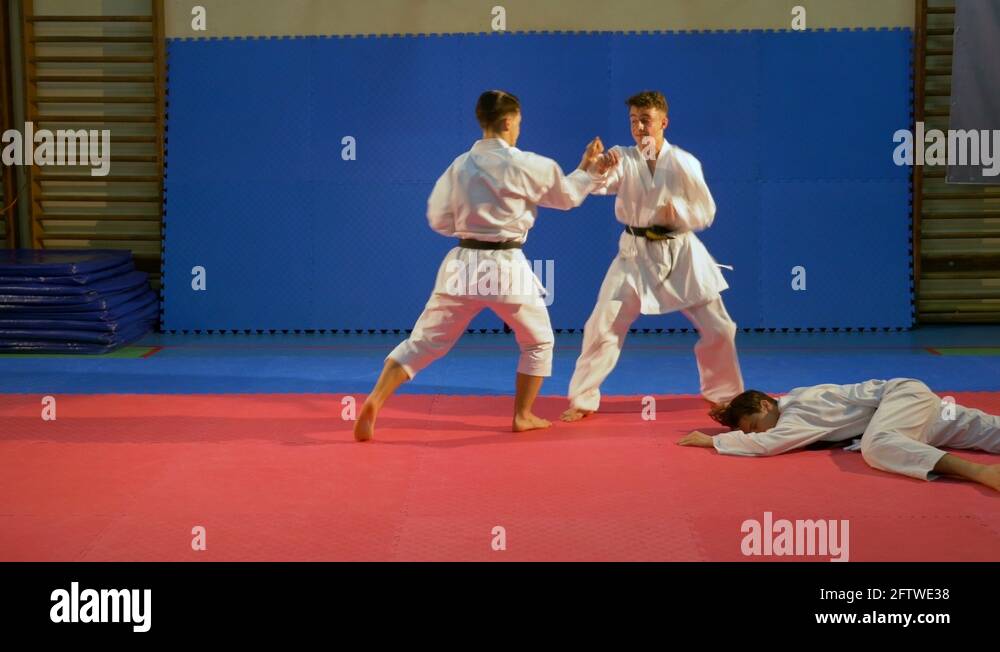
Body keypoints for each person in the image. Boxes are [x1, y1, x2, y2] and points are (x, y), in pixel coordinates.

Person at [354, 90, 618, 441]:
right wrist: (589, 170)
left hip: (462, 264)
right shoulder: (526, 164)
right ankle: (523, 415)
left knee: (423, 343)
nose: (519, 129)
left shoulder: (459, 165)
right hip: (506, 266)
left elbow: (437, 218)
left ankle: (375, 400)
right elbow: (567, 197)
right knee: (538, 342)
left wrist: (467, 226)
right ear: (508, 121)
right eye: (519, 123)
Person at [562, 90, 743, 422]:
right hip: (633, 253)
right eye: (633, 121)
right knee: (602, 324)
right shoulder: (622, 157)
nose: (639, 128)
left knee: (720, 327)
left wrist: (681, 210)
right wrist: (595, 168)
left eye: (645, 120)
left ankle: (725, 394)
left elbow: (706, 212)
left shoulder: (684, 163)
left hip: (681, 253)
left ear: (663, 122)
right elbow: (598, 184)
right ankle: (583, 399)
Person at [677, 378, 1000, 492]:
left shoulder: (795, 411)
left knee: (879, 446)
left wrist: (714, 441)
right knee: (983, 431)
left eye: (754, 424)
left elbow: (768, 445)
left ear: (765, 403)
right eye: (751, 430)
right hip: (906, 410)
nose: (762, 431)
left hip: (897, 399)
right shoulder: (796, 402)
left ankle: (981, 473)